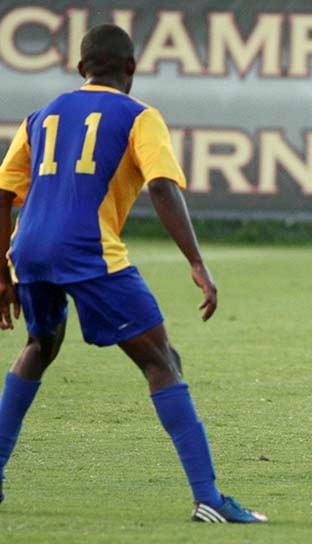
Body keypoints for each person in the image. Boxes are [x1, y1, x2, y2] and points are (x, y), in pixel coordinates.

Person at [0, 24, 266, 522]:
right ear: (132, 68)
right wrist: (196, 261)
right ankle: (208, 498)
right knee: (163, 360)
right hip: (89, 252)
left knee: (40, 346)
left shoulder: (41, 116)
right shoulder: (139, 115)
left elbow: (3, 193)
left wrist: (1, 270)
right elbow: (163, 188)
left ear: (81, 70)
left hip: (30, 249)